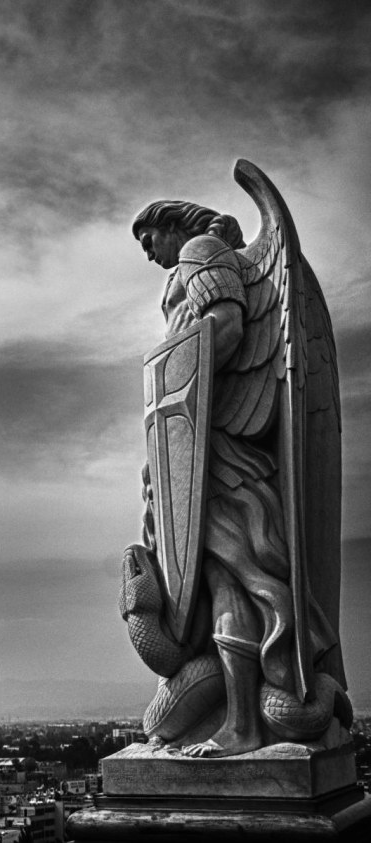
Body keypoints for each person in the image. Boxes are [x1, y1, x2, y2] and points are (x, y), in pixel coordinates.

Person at [130, 198, 343, 757]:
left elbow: (222, 328)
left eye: (148, 239)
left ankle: (245, 726)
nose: (148, 253)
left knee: (239, 581)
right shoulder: (200, 261)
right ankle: (242, 715)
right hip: (203, 442)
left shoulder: (202, 253)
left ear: (172, 225)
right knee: (229, 583)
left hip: (217, 448)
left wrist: (182, 400)